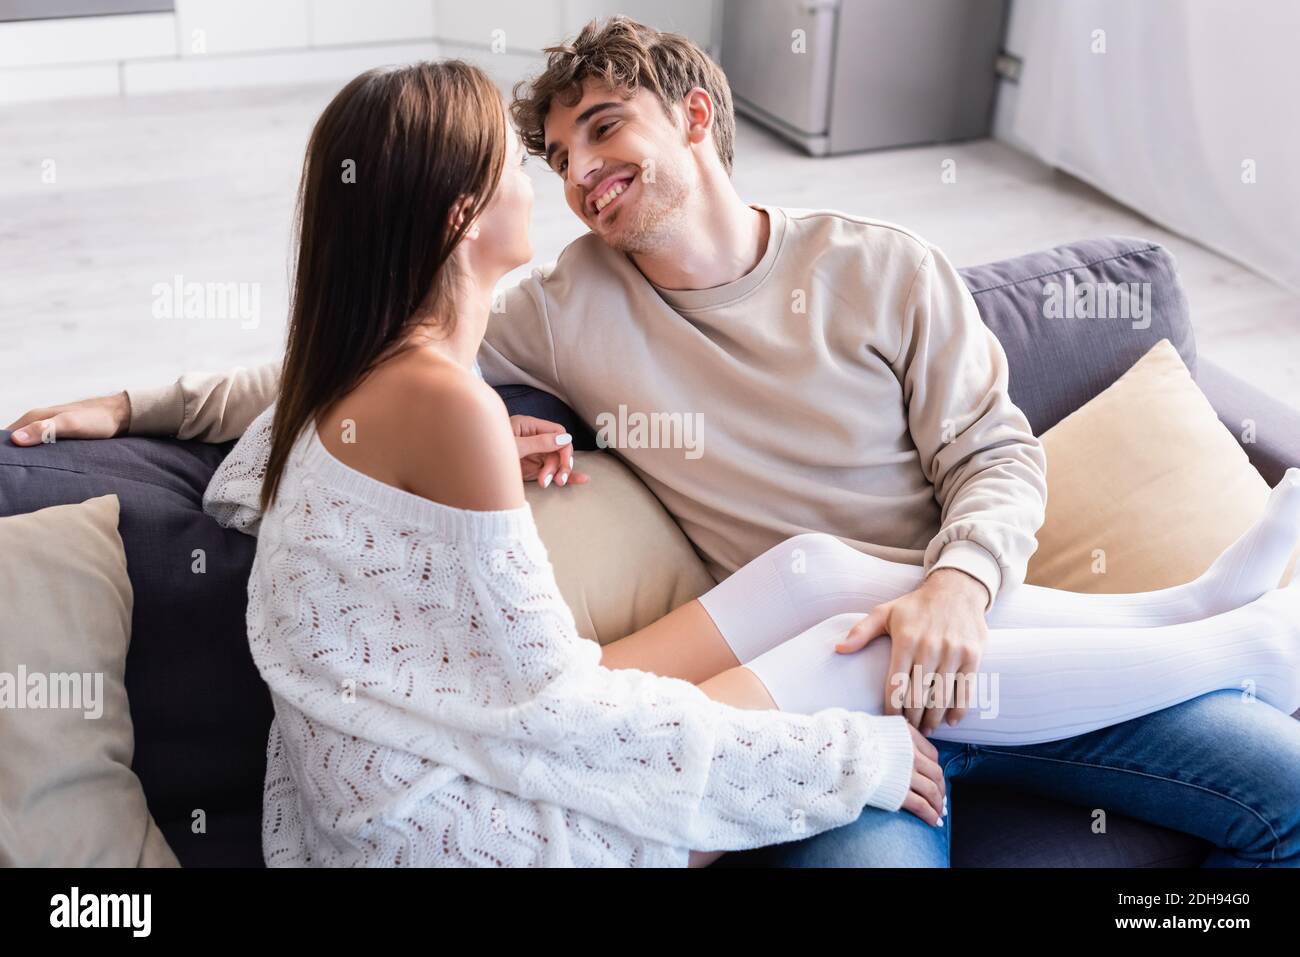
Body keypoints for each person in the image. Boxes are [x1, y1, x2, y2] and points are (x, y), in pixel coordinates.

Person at [10, 19, 1300, 867]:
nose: (577, 176)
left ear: (694, 113)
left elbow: (999, 457)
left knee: (1281, 789)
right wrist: (133, 404)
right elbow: (335, 361)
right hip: (814, 679)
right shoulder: (558, 312)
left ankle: (1198, 619)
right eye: (551, 158)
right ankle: (1217, 626)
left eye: (605, 130)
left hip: (979, 635)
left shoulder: (883, 268)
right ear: (480, 206)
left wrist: (961, 584)